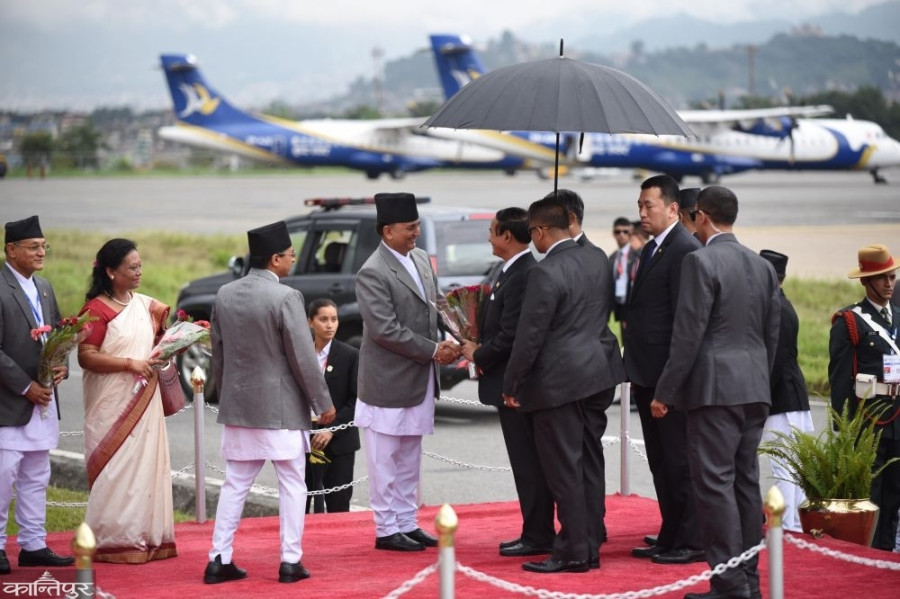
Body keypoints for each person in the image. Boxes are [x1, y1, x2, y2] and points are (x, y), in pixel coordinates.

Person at [652, 186, 780, 599]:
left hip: (714, 389)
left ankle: (728, 583)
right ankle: (749, 580)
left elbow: (688, 334)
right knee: (745, 484)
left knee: (714, 486)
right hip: (753, 386)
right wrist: (758, 378)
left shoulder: (700, 260)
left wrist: (665, 391)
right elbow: (772, 333)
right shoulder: (762, 265)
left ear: (702, 216)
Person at [204, 221, 335, 584]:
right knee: (292, 483)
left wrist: (227, 395)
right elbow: (302, 357)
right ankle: (290, 561)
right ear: (275, 259)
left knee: (235, 484)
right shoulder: (286, 297)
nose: (293, 259)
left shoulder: (225, 293)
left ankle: (218, 558)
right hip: (280, 408)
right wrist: (322, 401)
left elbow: (218, 353)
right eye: (291, 254)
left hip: (240, 405)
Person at [503, 197, 625, 574]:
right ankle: (589, 543)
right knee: (589, 461)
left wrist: (512, 383)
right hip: (599, 373)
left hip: (559, 381)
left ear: (540, 231)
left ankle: (573, 550)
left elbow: (530, 337)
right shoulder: (598, 257)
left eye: (532, 233)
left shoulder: (545, 272)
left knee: (563, 469)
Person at [354, 192, 460, 552]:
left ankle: (406, 522)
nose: (417, 232)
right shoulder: (372, 271)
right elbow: (385, 330)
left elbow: (438, 304)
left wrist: (461, 336)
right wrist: (434, 350)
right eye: (410, 227)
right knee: (384, 460)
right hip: (387, 382)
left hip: (419, 379)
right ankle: (386, 529)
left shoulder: (420, 258)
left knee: (410, 458)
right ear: (388, 231)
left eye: (417, 225)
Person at [459, 208, 553, 558]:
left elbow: (512, 336)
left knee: (529, 465)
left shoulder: (525, 273)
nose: (488, 237)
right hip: (508, 382)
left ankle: (538, 534)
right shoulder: (509, 270)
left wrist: (478, 353)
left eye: (491, 230)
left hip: (517, 386)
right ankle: (534, 530)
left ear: (507, 236)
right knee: (525, 464)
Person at [77, 239, 175, 563]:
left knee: (144, 470)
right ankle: (112, 539)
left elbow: (157, 346)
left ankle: (146, 536)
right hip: (111, 405)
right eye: (132, 267)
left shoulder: (145, 307)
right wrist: (129, 364)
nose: (139, 272)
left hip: (145, 400)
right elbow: (86, 356)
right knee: (115, 470)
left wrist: (177, 344)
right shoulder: (96, 310)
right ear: (110, 272)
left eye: (140, 265)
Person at [624, 175, 704, 565]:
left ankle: (692, 539)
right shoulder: (653, 248)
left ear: (673, 208)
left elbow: (686, 326)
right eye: (639, 205)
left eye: (649, 206)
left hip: (669, 380)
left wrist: (669, 387)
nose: (642, 213)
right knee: (661, 464)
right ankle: (671, 534)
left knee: (679, 462)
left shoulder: (685, 250)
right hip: (647, 375)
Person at [0, 216, 75, 574]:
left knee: (36, 475)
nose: (41, 252)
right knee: (3, 477)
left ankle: (33, 544)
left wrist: (61, 367)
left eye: (44, 246)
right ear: (11, 250)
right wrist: (25, 386)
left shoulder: (43, 287)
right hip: (10, 402)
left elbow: (59, 335)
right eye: (33, 247)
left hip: (42, 403)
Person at [829, 243, 899, 551]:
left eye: (892, 277)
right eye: (882, 278)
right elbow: (840, 378)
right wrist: (844, 426)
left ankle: (887, 556)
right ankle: (867, 556)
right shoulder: (850, 321)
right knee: (869, 495)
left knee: (894, 495)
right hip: (869, 421)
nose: (889, 284)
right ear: (866, 281)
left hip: (898, 420)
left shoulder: (899, 317)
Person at [759, 249, 814, 533]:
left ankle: (788, 526)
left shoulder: (775, 309)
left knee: (784, 467)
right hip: (791, 394)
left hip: (782, 396)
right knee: (791, 465)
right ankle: (794, 524)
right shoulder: (782, 304)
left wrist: (759, 395)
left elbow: (775, 361)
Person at [304, 298, 360, 513]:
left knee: (338, 504)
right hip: (305, 437)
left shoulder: (350, 355)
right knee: (299, 502)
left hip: (339, 441)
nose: (330, 325)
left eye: (334, 319)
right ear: (310, 322)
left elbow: (357, 400)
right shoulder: (301, 355)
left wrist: (331, 429)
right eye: (323, 319)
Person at [609, 217, 635, 327]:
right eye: (618, 232)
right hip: (617, 304)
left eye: (625, 231)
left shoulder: (636, 255)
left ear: (630, 233)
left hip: (632, 304)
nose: (621, 234)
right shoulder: (612, 257)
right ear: (613, 234)